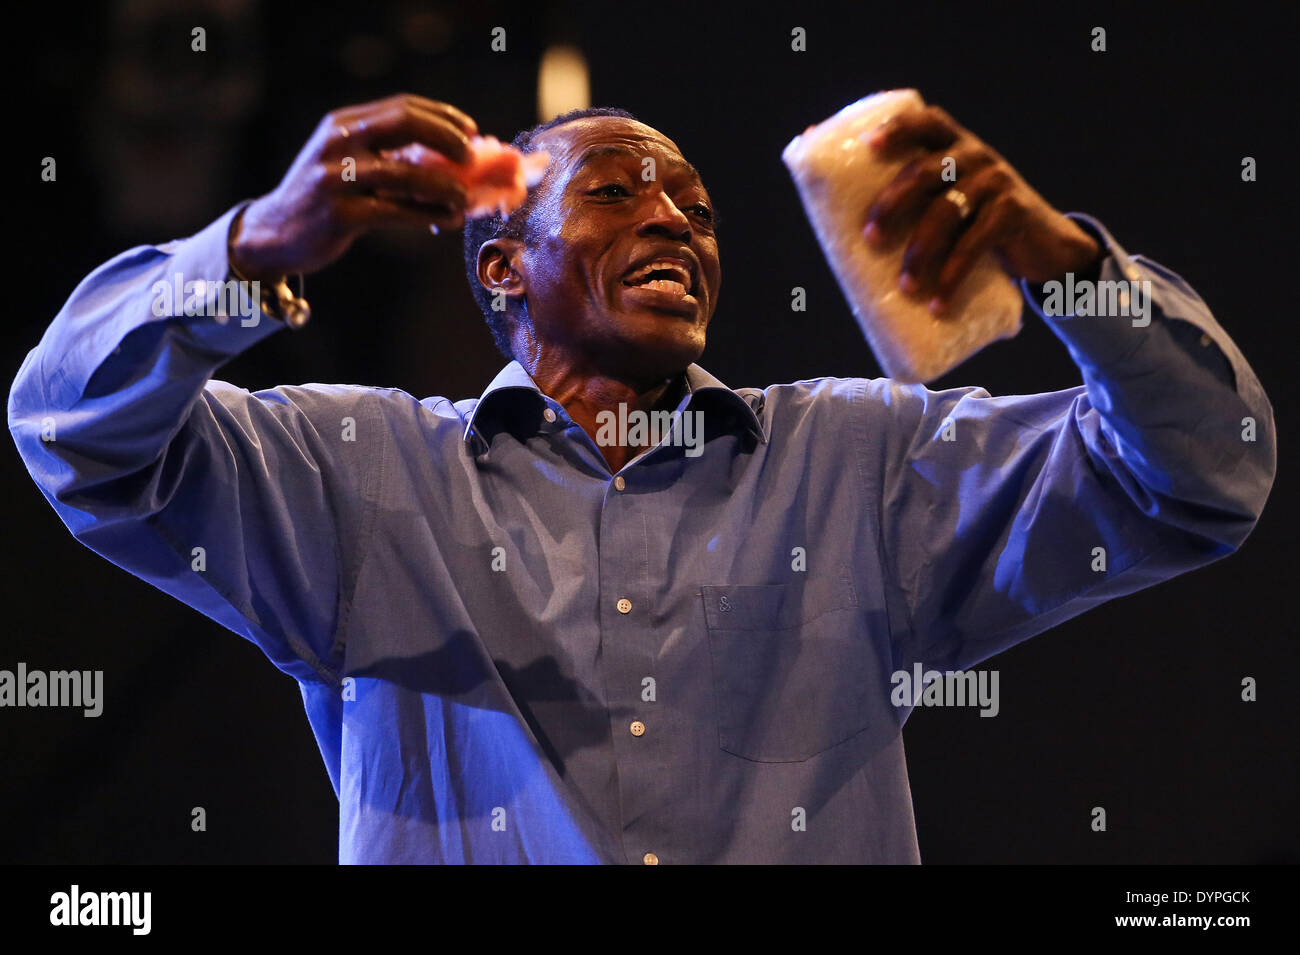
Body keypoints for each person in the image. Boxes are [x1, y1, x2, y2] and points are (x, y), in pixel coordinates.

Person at [8, 94, 1276, 863]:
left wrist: (1066, 266)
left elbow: (1203, 478)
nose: (674, 217)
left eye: (698, 206)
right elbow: (74, 433)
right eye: (617, 192)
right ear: (502, 266)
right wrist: (247, 248)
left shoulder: (863, 463)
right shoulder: (359, 476)